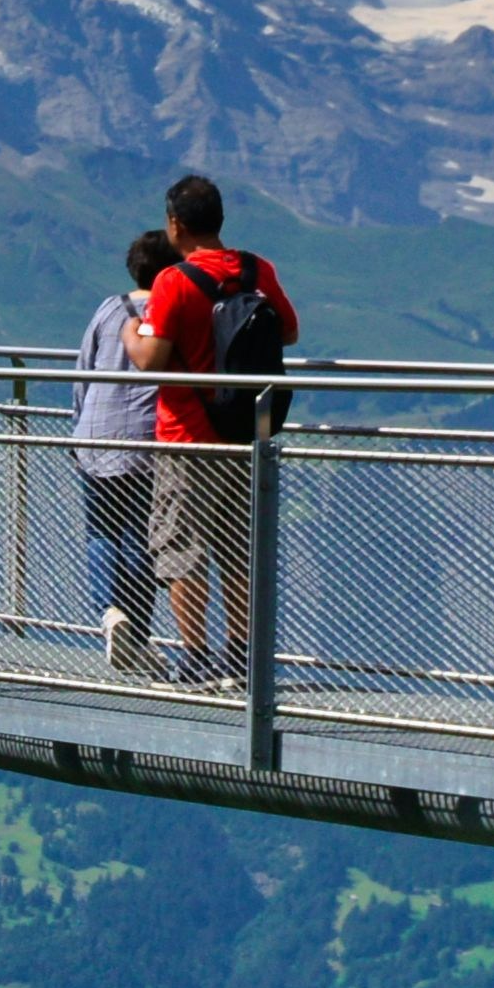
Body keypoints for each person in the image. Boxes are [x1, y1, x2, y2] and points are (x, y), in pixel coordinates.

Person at [137, 173, 301, 688]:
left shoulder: (172, 281)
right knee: (237, 545)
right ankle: (240, 654)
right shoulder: (257, 270)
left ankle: (194, 657)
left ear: (175, 225)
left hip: (187, 436)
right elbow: (290, 331)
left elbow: (151, 360)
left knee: (181, 545)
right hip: (246, 433)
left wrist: (131, 332)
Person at [67, 236, 158, 669]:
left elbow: (83, 370)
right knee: (141, 536)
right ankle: (138, 635)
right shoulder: (170, 311)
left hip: (95, 436)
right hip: (146, 440)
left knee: (102, 531)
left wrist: (77, 430)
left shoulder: (109, 308)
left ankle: (108, 612)